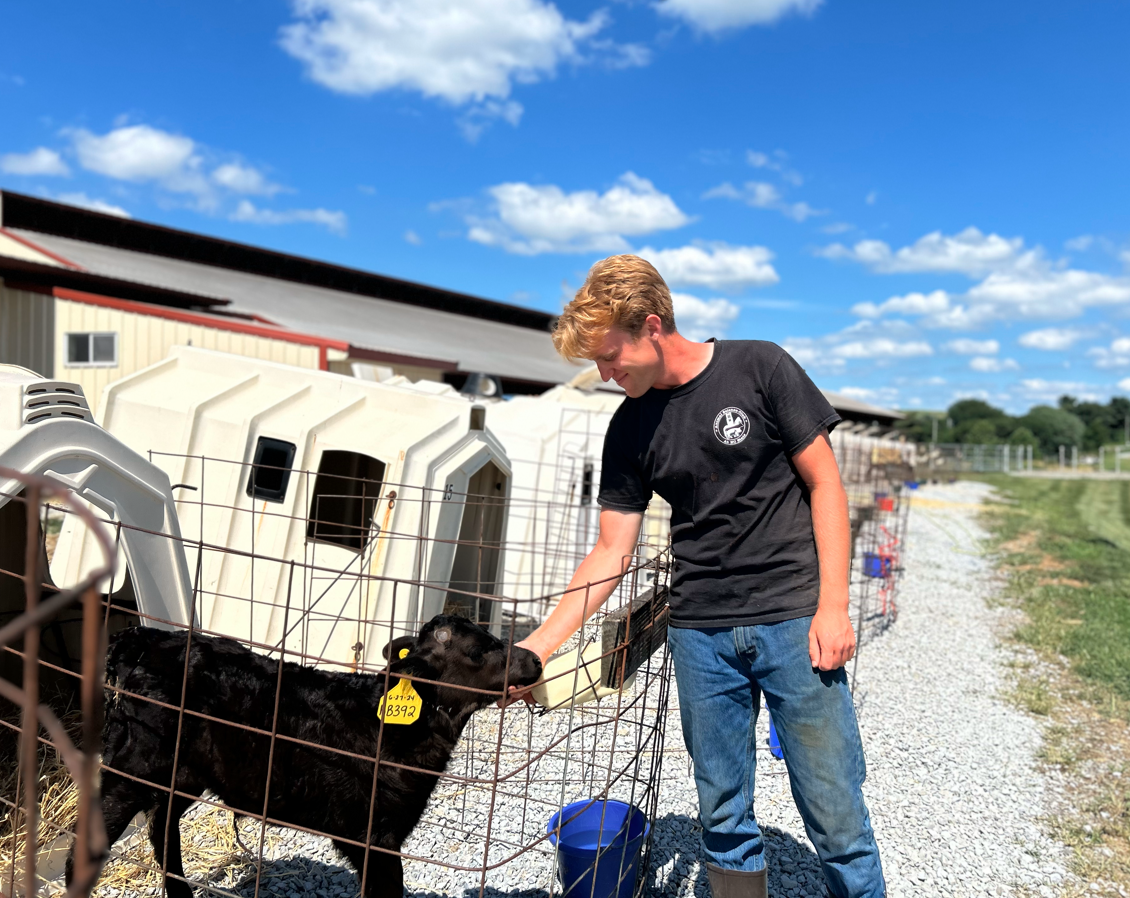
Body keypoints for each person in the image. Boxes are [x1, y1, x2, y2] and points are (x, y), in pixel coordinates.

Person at [515, 256, 885, 898]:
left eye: (609, 357)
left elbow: (826, 485)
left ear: (651, 326)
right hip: (701, 634)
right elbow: (610, 551)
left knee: (835, 811)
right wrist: (534, 650)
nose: (604, 374)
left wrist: (834, 606)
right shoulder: (629, 426)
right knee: (721, 815)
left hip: (795, 618)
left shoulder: (761, 367)